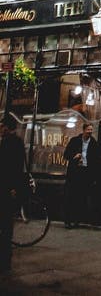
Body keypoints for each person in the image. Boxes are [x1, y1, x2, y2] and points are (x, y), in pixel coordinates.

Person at [63, 122, 101, 228]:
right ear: (84, 130)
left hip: (85, 173)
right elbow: (66, 155)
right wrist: (74, 156)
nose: (90, 132)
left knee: (80, 197)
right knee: (70, 196)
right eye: (88, 130)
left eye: (91, 130)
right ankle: (67, 220)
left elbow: (96, 160)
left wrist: (94, 176)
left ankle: (76, 220)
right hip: (74, 172)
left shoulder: (93, 143)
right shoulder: (75, 141)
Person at [0, 115, 26, 273]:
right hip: (7, 187)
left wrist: (13, 187)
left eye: (2, 126)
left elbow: (14, 167)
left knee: (5, 224)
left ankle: (4, 260)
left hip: (7, 187)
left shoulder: (12, 142)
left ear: (7, 127)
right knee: (6, 224)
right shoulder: (12, 141)